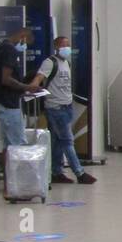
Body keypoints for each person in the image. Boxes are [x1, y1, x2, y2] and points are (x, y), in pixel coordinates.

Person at [34, 36, 96, 185]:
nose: (66, 48)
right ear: (56, 47)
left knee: (57, 142)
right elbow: (38, 78)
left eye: (68, 45)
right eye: (63, 45)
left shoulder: (66, 63)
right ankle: (79, 172)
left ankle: (56, 172)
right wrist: (30, 88)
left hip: (67, 106)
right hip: (56, 108)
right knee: (68, 140)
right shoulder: (49, 63)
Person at [0, 27, 38, 153]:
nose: (24, 47)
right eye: (25, 43)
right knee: (18, 145)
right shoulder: (9, 50)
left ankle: (9, 173)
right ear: (22, 36)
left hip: (4, 102)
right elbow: (6, 79)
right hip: (9, 104)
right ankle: (18, 173)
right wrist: (27, 87)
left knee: (9, 146)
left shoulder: (2, 47)